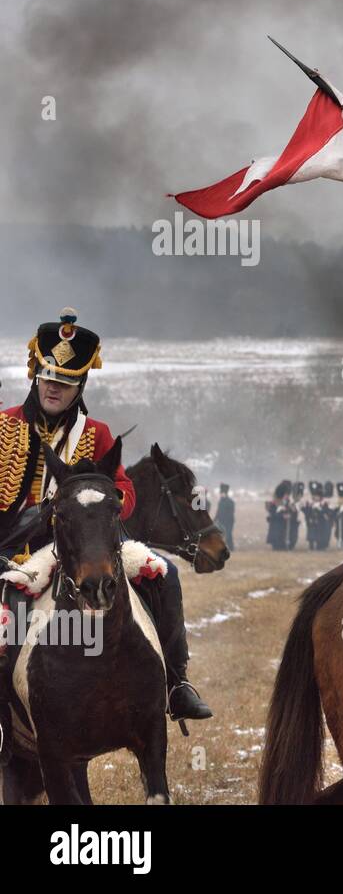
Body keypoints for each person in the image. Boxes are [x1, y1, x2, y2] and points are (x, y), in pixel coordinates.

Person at [0, 309, 211, 755]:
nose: (54, 387)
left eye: (66, 381)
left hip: (82, 548)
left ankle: (176, 683)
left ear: (80, 386)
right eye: (48, 377)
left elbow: (124, 490)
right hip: (15, 555)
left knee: (165, 574)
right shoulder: (5, 427)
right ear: (35, 376)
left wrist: (105, 508)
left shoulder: (95, 434)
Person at [215, 482, 236, 553]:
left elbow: (231, 513)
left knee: (228, 535)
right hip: (221, 521)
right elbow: (218, 511)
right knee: (220, 535)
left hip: (229, 521)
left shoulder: (231, 502)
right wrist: (215, 519)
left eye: (222, 493)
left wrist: (226, 520)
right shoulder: (220, 501)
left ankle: (231, 548)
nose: (221, 494)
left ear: (225, 493)